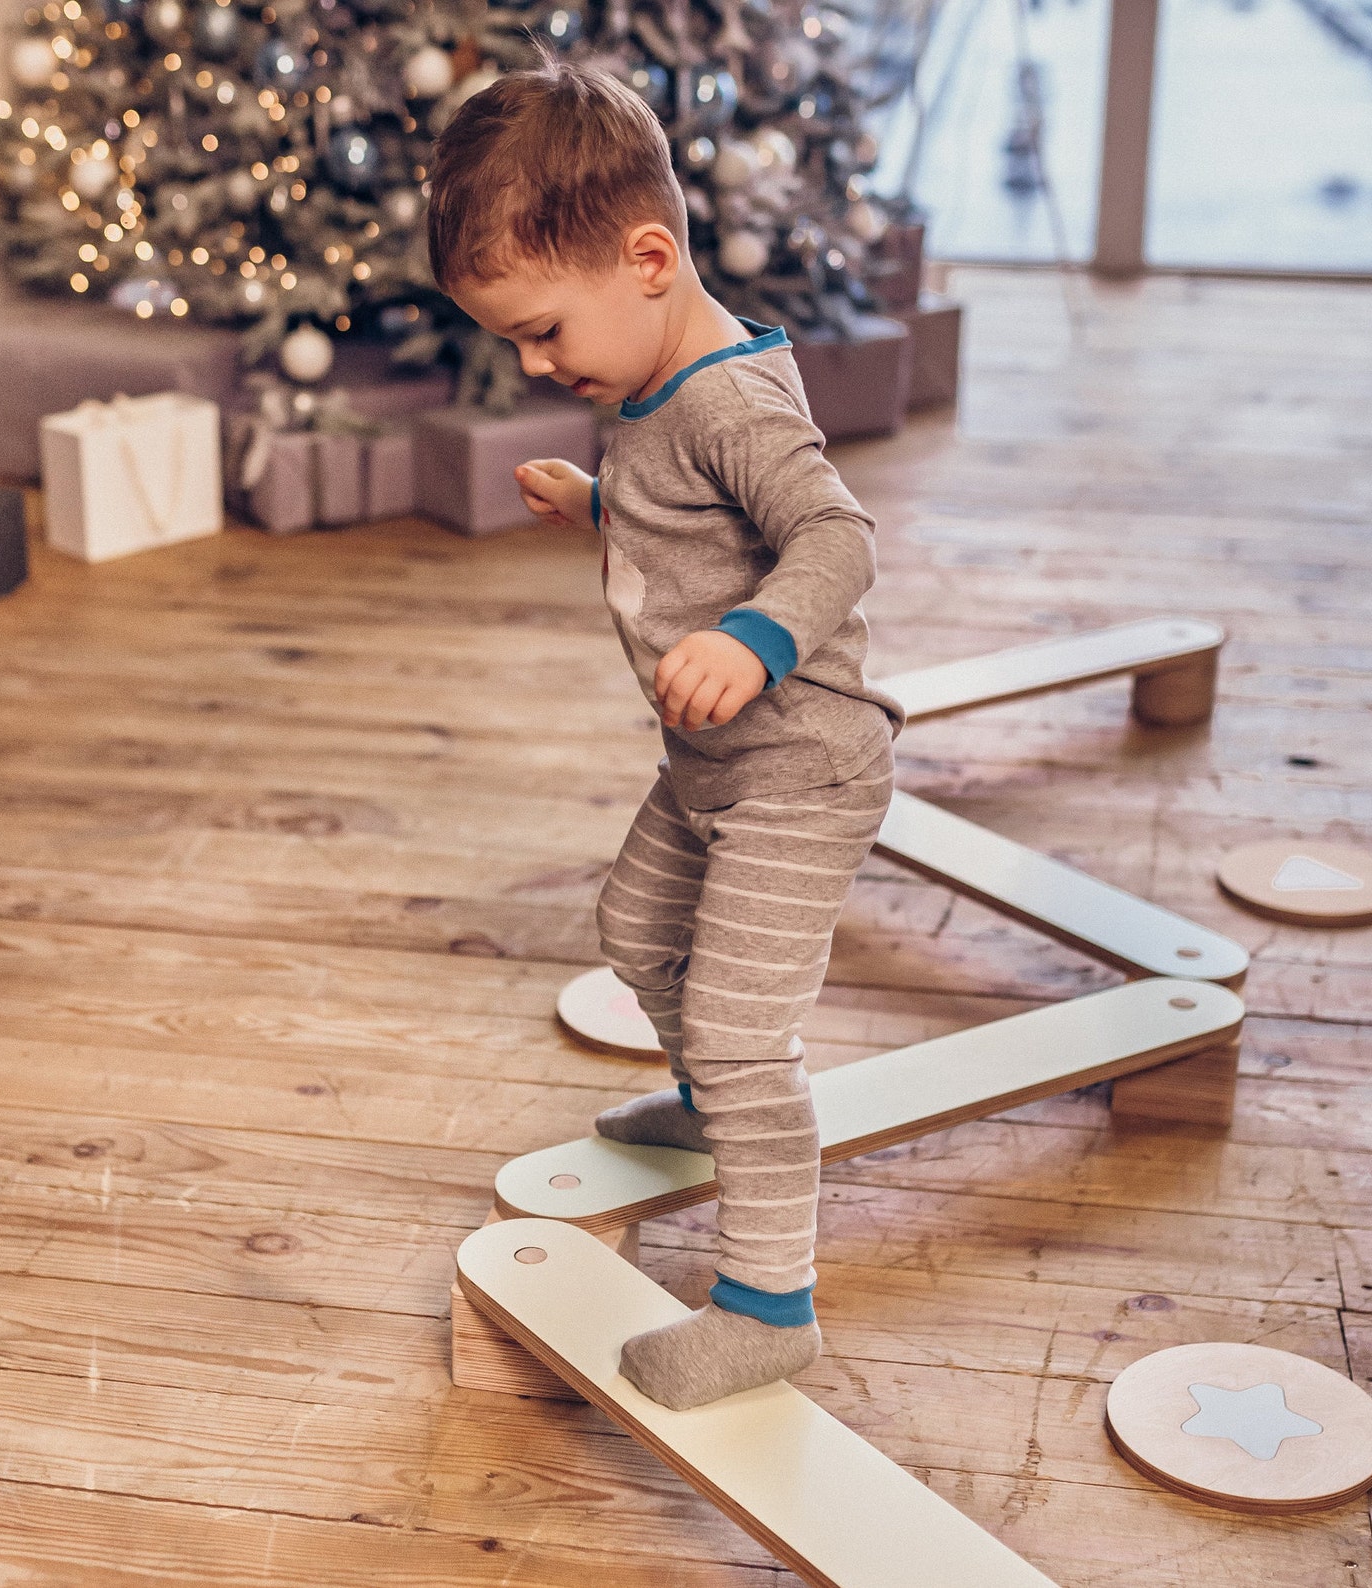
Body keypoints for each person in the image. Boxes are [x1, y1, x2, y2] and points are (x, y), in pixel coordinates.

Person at [426, 52, 904, 1411]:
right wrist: (598, 501)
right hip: (707, 769)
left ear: (646, 260)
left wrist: (755, 641)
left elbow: (832, 536)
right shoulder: (647, 388)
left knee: (751, 1028)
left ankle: (769, 1307)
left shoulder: (733, 400)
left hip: (800, 770)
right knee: (638, 936)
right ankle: (706, 1104)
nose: (532, 364)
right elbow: (687, 523)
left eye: (541, 333)